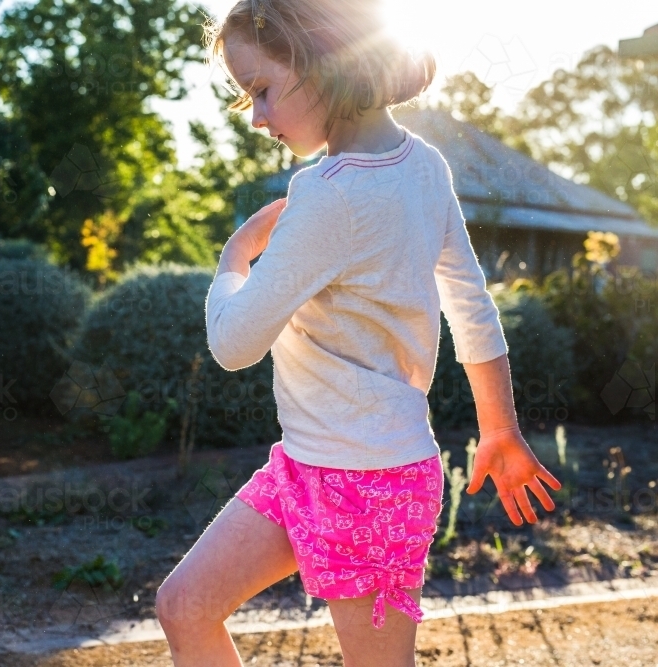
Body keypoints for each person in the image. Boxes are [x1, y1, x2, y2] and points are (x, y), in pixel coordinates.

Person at [154, 0, 563, 665]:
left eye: (261, 89)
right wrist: (498, 427)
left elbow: (233, 344)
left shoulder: (327, 195)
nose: (256, 116)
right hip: (305, 466)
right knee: (186, 605)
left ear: (321, 59)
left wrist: (233, 258)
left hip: (369, 484)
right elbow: (472, 305)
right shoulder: (424, 165)